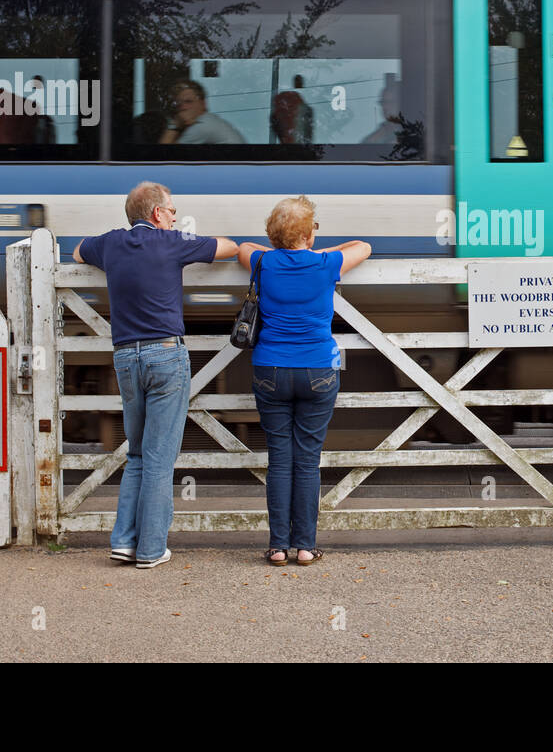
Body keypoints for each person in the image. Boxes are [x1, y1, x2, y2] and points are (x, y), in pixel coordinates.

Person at [74, 181, 238, 568]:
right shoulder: (173, 242)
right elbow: (228, 247)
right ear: (157, 214)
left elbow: (79, 252)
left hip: (126, 359)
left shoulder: (111, 243)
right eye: (172, 210)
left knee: (137, 454)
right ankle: (150, 549)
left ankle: (124, 541)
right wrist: (185, 237)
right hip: (165, 355)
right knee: (161, 458)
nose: (176, 216)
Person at [238, 196, 370, 566]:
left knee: (280, 460)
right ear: (308, 234)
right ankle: (306, 547)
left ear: (275, 234)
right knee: (307, 462)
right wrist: (317, 248)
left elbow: (244, 249)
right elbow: (364, 246)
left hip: (270, 371)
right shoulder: (326, 263)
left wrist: (285, 245)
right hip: (317, 372)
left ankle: (278, 546)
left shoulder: (263, 261)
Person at [158, 80, 245, 144]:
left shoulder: (202, 126)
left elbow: (163, 157)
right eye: (178, 103)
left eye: (189, 101)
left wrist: (175, 125)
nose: (183, 107)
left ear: (203, 104)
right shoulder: (209, 120)